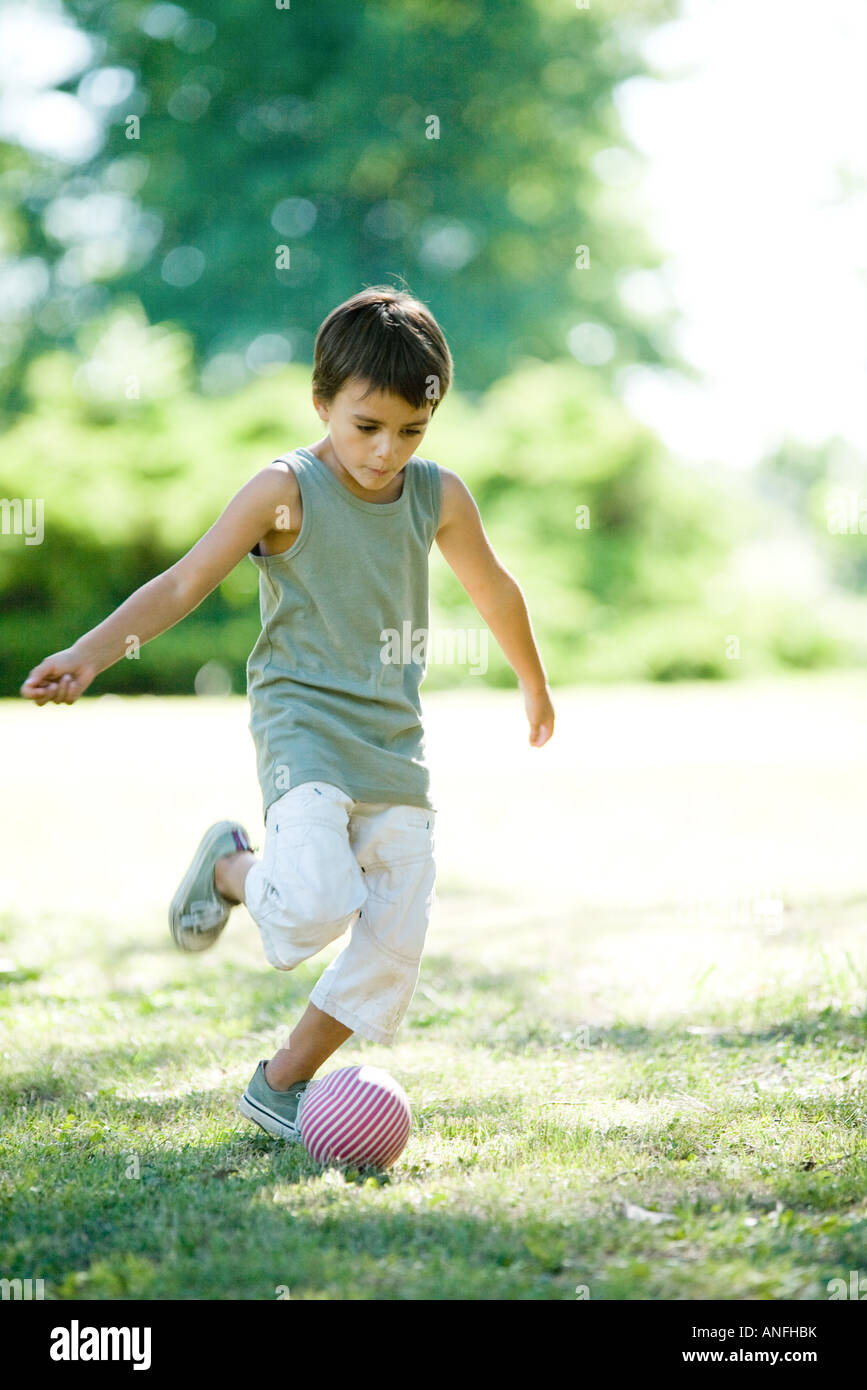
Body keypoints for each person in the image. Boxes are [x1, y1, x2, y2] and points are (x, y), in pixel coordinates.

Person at [19, 286, 556, 1142]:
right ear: (322, 403)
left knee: (394, 940)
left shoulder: (437, 495)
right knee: (309, 905)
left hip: (392, 742)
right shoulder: (285, 489)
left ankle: (279, 1085)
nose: (386, 452)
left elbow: (494, 587)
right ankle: (232, 866)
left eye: (411, 431)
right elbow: (184, 582)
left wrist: (532, 681)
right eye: (365, 426)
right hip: (302, 727)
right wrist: (89, 653)